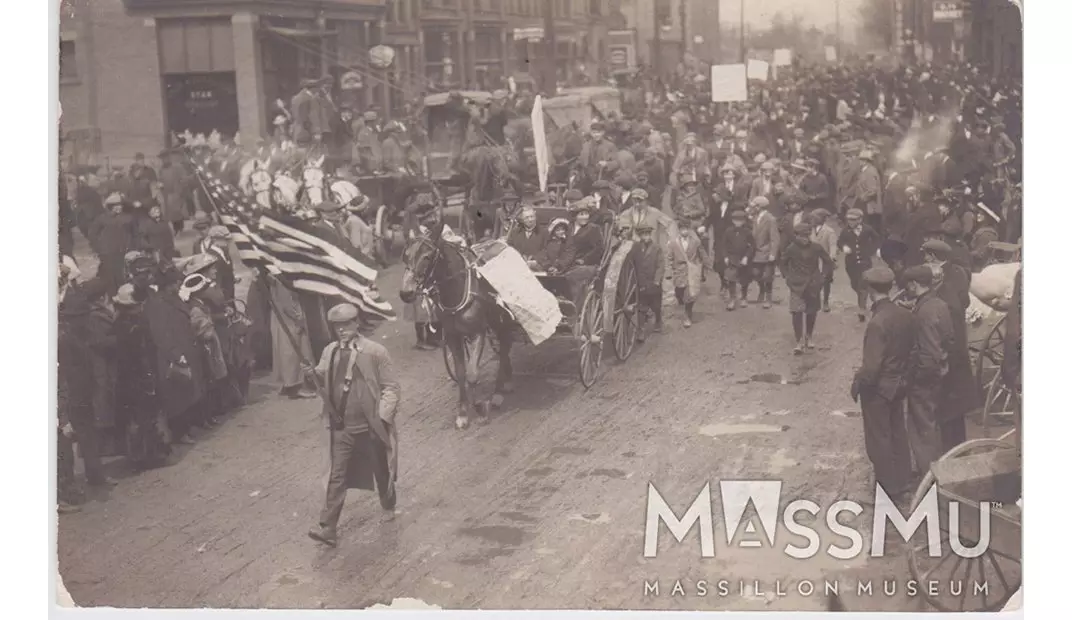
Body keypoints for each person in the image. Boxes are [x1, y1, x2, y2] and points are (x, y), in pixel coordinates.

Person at [304, 303, 400, 548]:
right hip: (342, 425)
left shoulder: (375, 351)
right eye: (337, 326)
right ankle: (328, 528)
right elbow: (321, 378)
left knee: (381, 468)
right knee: (337, 475)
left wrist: (383, 416)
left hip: (370, 425)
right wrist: (310, 375)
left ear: (357, 324)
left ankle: (388, 503)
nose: (342, 330)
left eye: (346, 324)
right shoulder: (330, 351)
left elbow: (391, 387)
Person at [850, 266, 914, 500]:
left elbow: (872, 367)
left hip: (879, 388)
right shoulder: (904, 315)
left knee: (879, 438)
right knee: (898, 432)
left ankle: (889, 486)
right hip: (899, 384)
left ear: (869, 290)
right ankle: (904, 480)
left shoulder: (878, 322)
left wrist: (859, 383)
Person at [922, 239, 977, 451]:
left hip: (949, 350)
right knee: (956, 408)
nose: (924, 260)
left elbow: (947, 312)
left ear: (933, 257)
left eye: (926, 256)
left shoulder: (941, 283)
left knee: (946, 403)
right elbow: (965, 302)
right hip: (959, 346)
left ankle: (950, 451)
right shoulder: (960, 273)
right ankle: (959, 446)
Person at [113, 283, 170, 470]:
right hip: (138, 379)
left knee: (140, 419)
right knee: (143, 419)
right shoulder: (132, 328)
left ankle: (143, 454)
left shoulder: (123, 324)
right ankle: (145, 455)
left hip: (130, 379)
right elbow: (140, 356)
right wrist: (148, 378)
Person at [903, 265, 953, 475]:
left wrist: (917, 378)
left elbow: (928, 352)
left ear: (914, 284)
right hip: (940, 372)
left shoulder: (924, 311)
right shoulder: (940, 304)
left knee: (921, 426)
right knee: (931, 422)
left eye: (909, 285)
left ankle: (929, 474)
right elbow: (949, 338)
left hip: (925, 378)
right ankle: (935, 467)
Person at [780, 222, 834, 354]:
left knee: (811, 312)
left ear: (809, 235)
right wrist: (787, 277)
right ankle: (798, 341)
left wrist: (822, 276)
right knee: (796, 312)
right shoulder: (791, 248)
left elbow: (828, 262)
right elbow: (782, 263)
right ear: (796, 236)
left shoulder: (816, 247)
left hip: (813, 284)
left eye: (806, 236)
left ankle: (809, 336)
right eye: (800, 236)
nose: (803, 239)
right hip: (796, 285)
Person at [266, 274, 317, 400]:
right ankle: (295, 386)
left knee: (285, 351)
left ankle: (286, 382)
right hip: (289, 320)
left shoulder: (275, 277)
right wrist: (298, 319)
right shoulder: (282, 279)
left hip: (280, 318)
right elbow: (287, 305)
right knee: (293, 352)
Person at [838, 208, 882, 322]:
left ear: (860, 219)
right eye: (849, 220)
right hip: (851, 263)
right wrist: (844, 247)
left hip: (865, 262)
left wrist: (875, 250)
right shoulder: (845, 231)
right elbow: (840, 242)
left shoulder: (867, 229)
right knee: (855, 285)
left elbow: (877, 239)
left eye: (853, 220)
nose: (850, 222)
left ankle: (862, 310)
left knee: (862, 286)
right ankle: (868, 297)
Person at [669, 216, 706, 328]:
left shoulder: (695, 241)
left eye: (686, 229)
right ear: (679, 230)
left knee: (690, 294)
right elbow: (669, 258)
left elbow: (702, 254)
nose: (684, 231)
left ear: (689, 229)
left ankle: (687, 314)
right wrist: (668, 272)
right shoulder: (673, 243)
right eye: (682, 229)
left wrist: (707, 266)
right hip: (679, 271)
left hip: (691, 270)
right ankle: (682, 302)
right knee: (679, 292)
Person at [632, 223, 664, 342]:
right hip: (641, 282)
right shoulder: (635, 248)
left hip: (654, 282)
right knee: (641, 307)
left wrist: (657, 280)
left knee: (656, 305)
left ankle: (659, 320)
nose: (646, 236)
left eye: (648, 234)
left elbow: (661, 265)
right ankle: (640, 330)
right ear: (640, 235)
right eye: (643, 234)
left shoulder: (656, 248)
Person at [748, 196, 780, 309]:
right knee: (756, 273)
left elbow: (774, 238)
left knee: (768, 276)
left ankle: (768, 298)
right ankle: (761, 289)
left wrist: (773, 253)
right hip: (755, 252)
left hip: (766, 252)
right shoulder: (754, 217)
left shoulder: (770, 219)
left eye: (754, 206)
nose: (752, 208)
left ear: (759, 207)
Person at [722, 210, 755, 311]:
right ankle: (732, 298)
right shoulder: (728, 231)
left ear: (744, 221)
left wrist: (746, 257)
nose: (738, 223)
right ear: (732, 221)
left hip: (743, 258)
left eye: (740, 220)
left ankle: (744, 297)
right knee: (731, 279)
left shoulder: (748, 232)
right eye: (736, 220)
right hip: (732, 258)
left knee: (744, 279)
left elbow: (752, 246)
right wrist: (726, 257)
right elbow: (724, 245)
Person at [810, 208, 839, 313]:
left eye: (815, 217)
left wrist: (832, 258)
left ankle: (825, 301)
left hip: (825, 261)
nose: (812, 219)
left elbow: (833, 246)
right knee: (813, 281)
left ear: (822, 219)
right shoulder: (810, 230)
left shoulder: (829, 231)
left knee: (825, 282)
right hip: (812, 260)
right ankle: (815, 301)